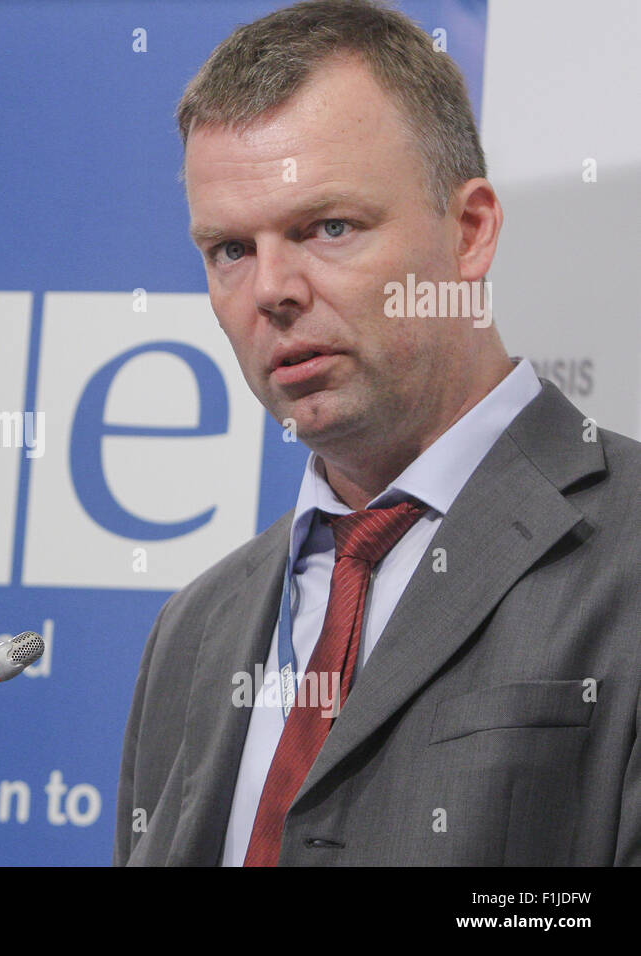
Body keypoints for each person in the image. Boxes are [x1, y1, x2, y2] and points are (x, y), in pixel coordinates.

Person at [114, 0, 641, 866]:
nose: (272, 290)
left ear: (469, 233)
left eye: (328, 228)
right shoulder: (194, 630)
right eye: (230, 250)